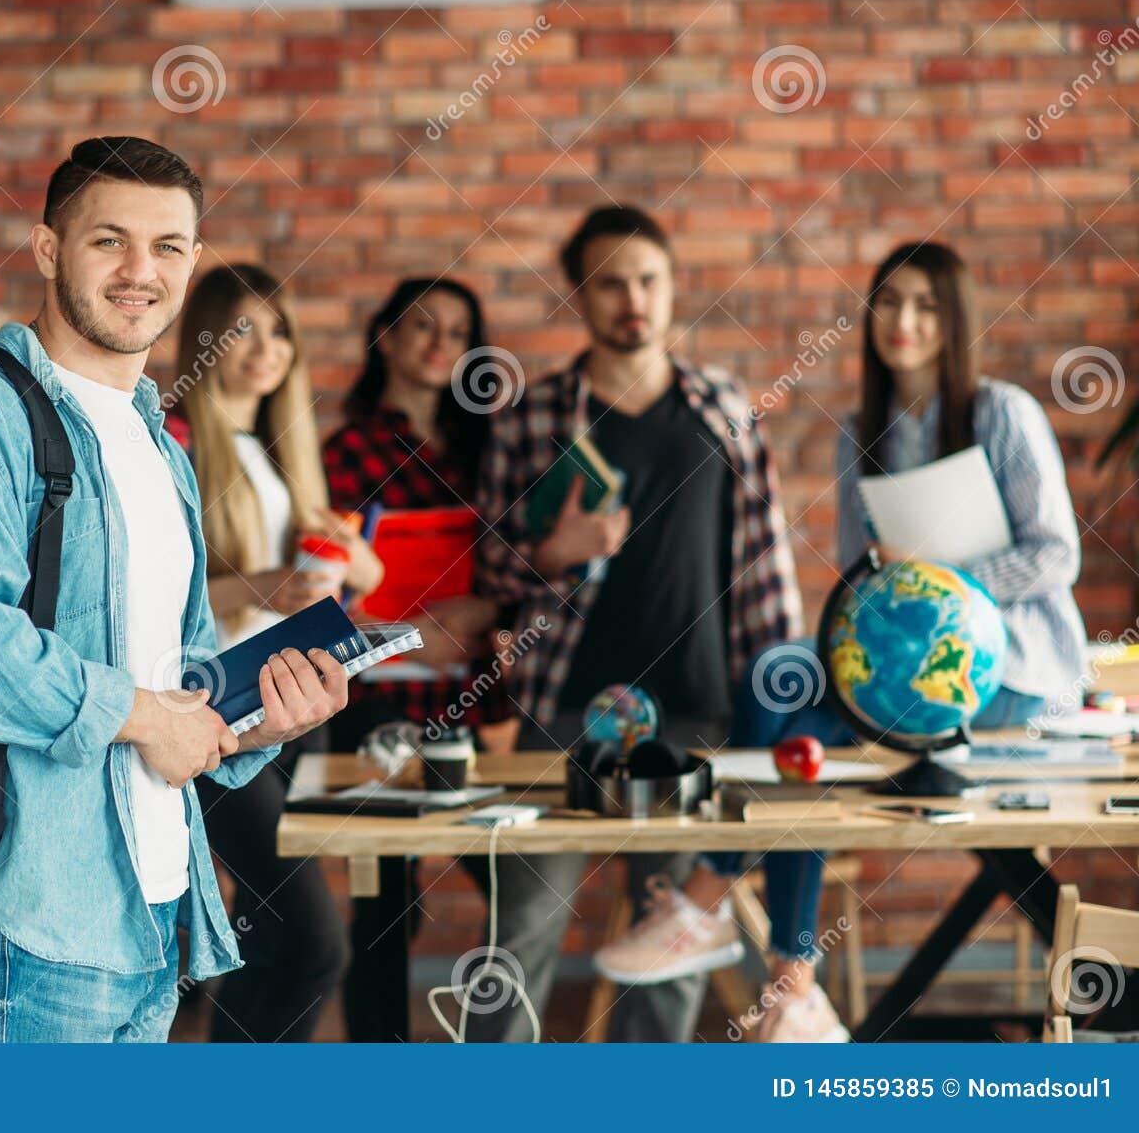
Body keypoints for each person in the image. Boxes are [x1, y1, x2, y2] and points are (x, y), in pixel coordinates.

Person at [0, 136, 351, 1043]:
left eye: (168, 247)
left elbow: (181, 667)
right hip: (29, 910)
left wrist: (260, 716)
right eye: (109, 242)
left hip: (155, 904)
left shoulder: (158, 445)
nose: (141, 271)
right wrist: (144, 716)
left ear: (192, 262)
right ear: (49, 250)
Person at [604, 240, 1088, 1042]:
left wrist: (943, 574)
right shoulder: (859, 432)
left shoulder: (1002, 413)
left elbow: (1056, 554)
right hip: (895, 661)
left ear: (955, 319)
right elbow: (861, 578)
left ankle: (714, 902)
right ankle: (789, 981)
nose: (903, 321)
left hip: (1011, 668)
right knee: (777, 676)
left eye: (927, 305)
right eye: (889, 302)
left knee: (807, 724)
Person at [476, 205, 805, 1042]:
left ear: (671, 287)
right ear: (579, 295)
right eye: (611, 281)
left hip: (696, 711)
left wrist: (781, 694)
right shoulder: (533, 418)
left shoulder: (724, 406)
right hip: (563, 713)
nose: (633, 298)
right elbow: (486, 571)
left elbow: (764, 562)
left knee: (669, 946)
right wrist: (555, 551)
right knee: (520, 934)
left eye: (648, 279)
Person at [167, 262, 382, 1042]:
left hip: (291, 703)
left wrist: (360, 569)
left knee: (266, 937)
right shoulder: (176, 441)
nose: (267, 347)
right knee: (313, 942)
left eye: (280, 329)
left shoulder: (277, 451)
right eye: (243, 328)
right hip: (219, 711)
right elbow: (156, 600)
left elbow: (319, 580)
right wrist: (262, 583)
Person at [322, 277, 521, 1040]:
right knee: (384, 902)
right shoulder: (349, 449)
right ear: (385, 339)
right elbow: (322, 598)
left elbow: (518, 568)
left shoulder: (495, 447)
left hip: (477, 699)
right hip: (378, 700)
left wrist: (492, 611)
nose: (440, 343)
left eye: (457, 331)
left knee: (519, 882)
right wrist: (409, 634)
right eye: (422, 327)